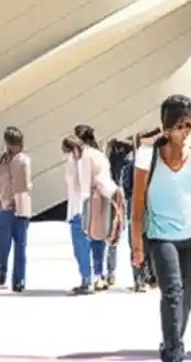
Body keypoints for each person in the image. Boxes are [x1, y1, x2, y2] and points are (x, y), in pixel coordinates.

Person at [131, 95, 191, 362]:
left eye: (190, 126)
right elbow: (137, 205)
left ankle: (172, 342)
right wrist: (137, 245)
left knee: (187, 297)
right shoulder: (146, 156)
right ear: (167, 125)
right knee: (172, 292)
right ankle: (174, 353)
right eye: (181, 125)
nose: (186, 132)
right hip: (161, 236)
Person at [64, 125, 120, 294]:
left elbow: (82, 185)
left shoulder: (82, 157)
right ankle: (98, 276)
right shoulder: (100, 155)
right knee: (98, 241)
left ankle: (86, 279)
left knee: (80, 244)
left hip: (81, 206)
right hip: (101, 203)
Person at [0, 126, 32, 292]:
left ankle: (19, 280)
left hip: (21, 208)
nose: (16, 147)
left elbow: (26, 184)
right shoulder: (0, 159)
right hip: (5, 208)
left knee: (21, 246)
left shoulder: (24, 160)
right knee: (3, 246)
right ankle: (1, 275)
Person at [122, 126, 161, 292]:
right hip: (155, 206)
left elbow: (127, 186)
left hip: (138, 206)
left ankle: (139, 280)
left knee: (136, 243)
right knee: (151, 242)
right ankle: (152, 277)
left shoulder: (134, 161)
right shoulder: (160, 160)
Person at [104, 136, 134, 287]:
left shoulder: (110, 161)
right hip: (123, 199)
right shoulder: (129, 161)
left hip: (113, 197)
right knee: (119, 238)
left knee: (111, 238)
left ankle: (109, 273)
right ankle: (111, 273)